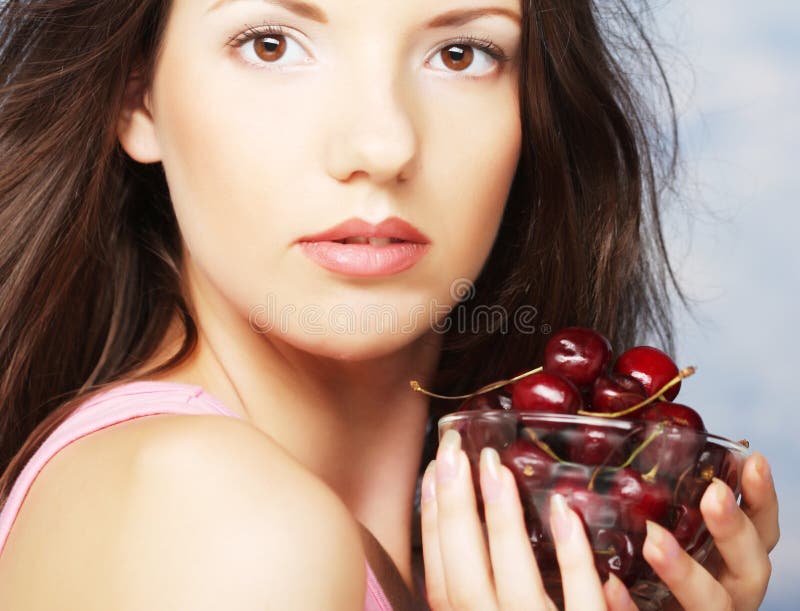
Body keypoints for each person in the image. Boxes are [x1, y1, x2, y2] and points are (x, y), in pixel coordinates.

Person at [0, 0, 778, 609]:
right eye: (270, 43)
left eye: (460, 53)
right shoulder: (210, 518)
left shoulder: (486, 548)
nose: (382, 144)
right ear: (136, 97)